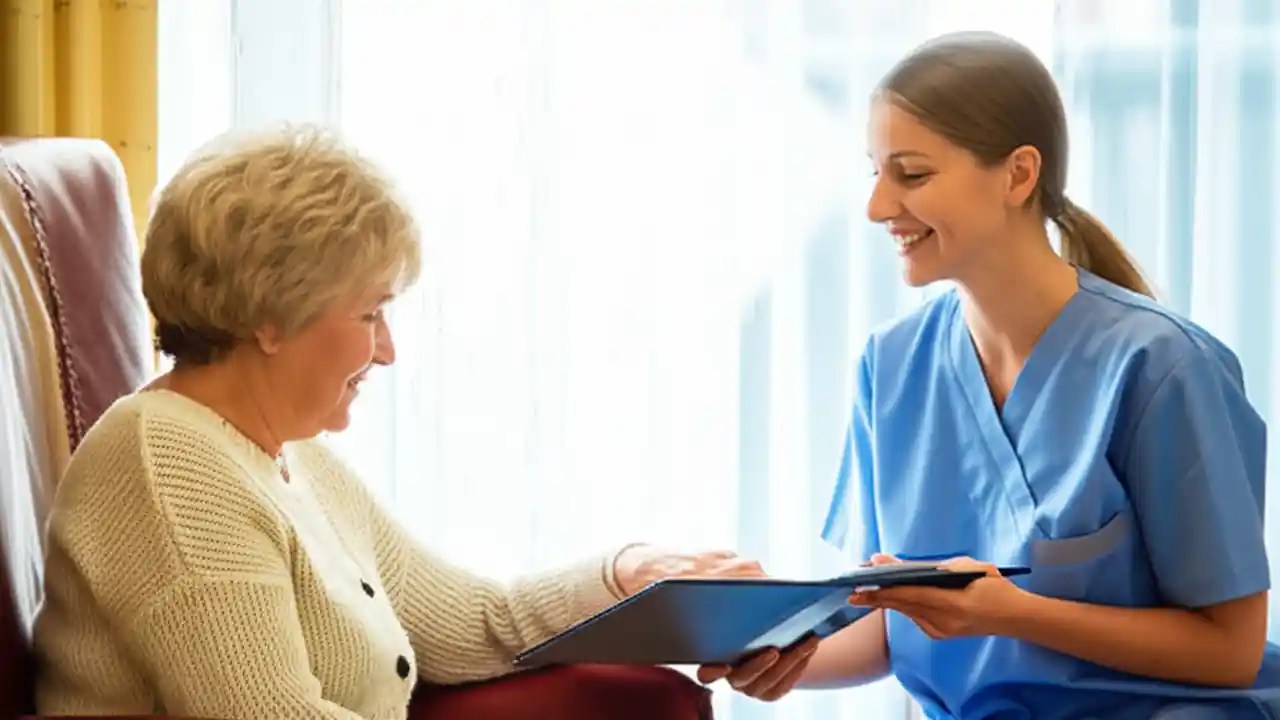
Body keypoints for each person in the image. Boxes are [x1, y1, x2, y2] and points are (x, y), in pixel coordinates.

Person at [30, 125, 765, 720]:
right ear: (270, 317)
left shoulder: (288, 459)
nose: (387, 350)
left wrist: (627, 576)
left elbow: (477, 625)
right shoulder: (168, 465)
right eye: (370, 314)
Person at [701, 30, 1280, 717]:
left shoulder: (1162, 369)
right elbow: (890, 630)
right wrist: (773, 655)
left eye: (911, 174)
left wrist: (1012, 612)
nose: (878, 207)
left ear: (1018, 174)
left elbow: (1230, 650)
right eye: (875, 172)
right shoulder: (890, 369)